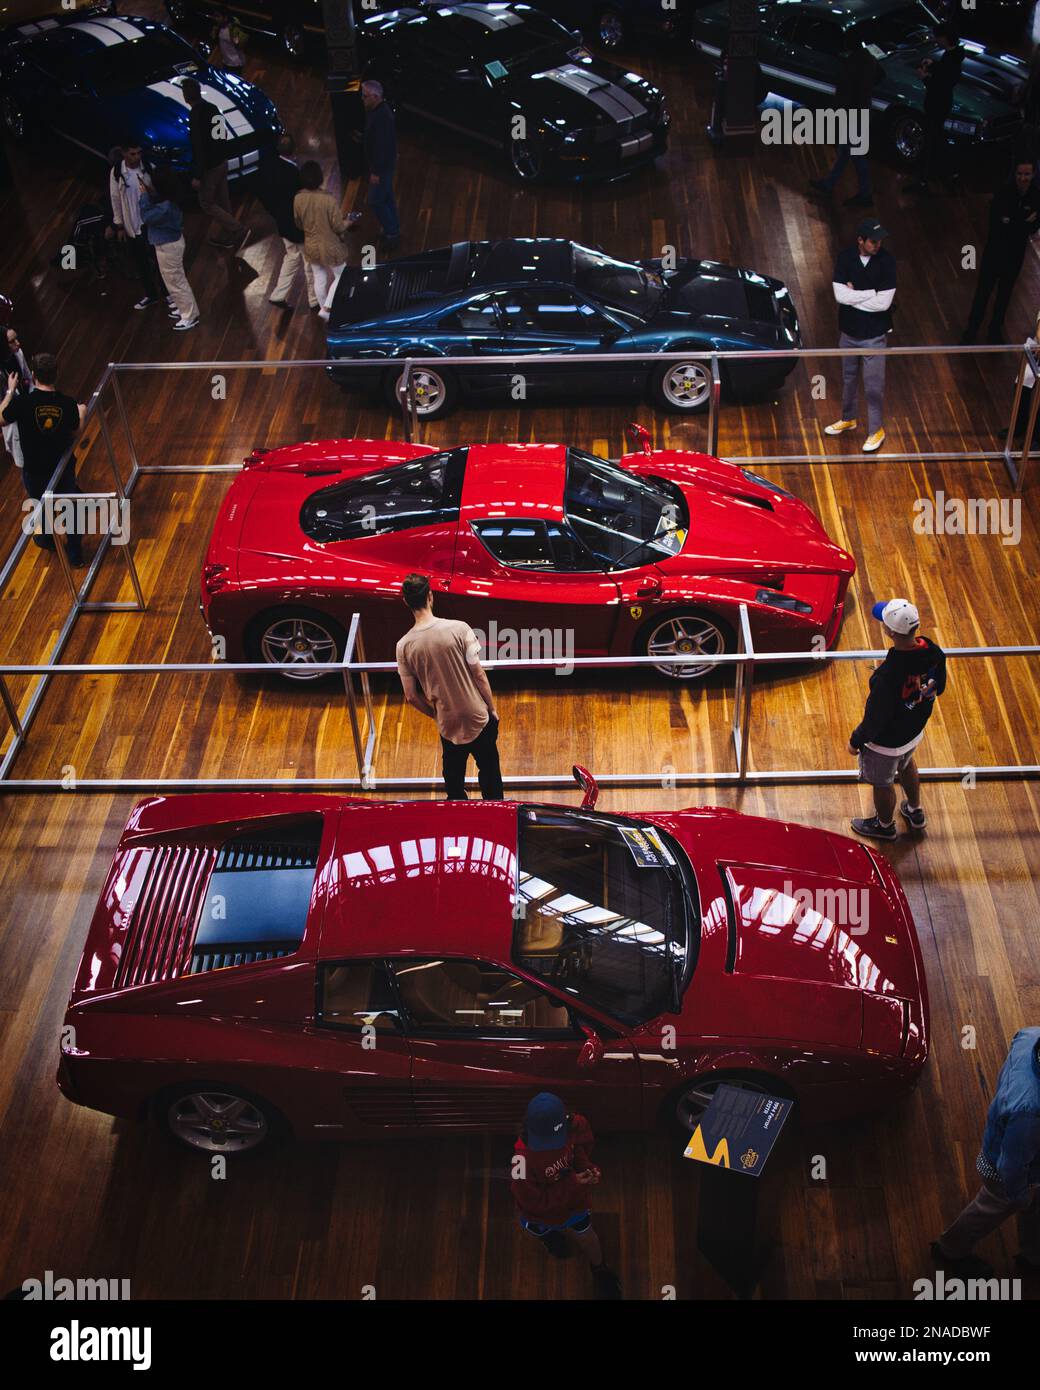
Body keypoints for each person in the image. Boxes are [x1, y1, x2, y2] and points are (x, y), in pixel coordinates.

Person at [932, 1028, 1040, 1279]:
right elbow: (1010, 1168)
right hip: (1009, 1175)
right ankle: (949, 1250)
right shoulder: (1031, 1111)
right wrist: (1022, 1198)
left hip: (1009, 1146)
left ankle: (1033, 1256)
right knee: (986, 1211)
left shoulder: (1031, 1037)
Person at [395, 573, 504, 801]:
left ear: (405, 602)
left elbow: (411, 696)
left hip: (448, 722)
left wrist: (436, 713)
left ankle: (458, 822)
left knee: (453, 781)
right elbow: (479, 675)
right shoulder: (459, 629)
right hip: (477, 715)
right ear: (430, 596)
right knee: (490, 774)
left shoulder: (403, 646)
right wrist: (491, 708)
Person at [847, 598, 946, 842]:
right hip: (914, 731)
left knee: (882, 783)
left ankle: (884, 826)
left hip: (886, 742)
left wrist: (855, 741)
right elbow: (939, 687)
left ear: (889, 631)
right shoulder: (935, 654)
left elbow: (874, 719)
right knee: (907, 765)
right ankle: (914, 810)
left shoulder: (887, 676)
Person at [511, 1093, 622, 1299]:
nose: (552, 1145)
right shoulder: (521, 1161)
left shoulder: (576, 1125)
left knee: (588, 1237)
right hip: (540, 1216)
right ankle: (551, 1238)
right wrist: (573, 1183)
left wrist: (586, 1168)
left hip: (573, 1205)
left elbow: (580, 1148)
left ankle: (599, 1270)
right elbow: (531, 1202)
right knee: (544, 1232)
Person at [0, 352, 85, 566]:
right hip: (61, 468)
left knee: (41, 503)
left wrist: (10, 391)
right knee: (71, 507)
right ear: (57, 373)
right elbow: (76, 430)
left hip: (34, 470)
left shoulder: (22, 403)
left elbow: (1, 417)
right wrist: (82, 411)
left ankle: (47, 538)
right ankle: (75, 555)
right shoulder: (67, 404)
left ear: (34, 375)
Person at [824, 220, 897, 453]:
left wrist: (855, 294)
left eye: (879, 242)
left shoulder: (887, 262)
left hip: (874, 335)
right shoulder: (845, 258)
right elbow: (840, 296)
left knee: (874, 386)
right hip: (848, 332)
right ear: (860, 240)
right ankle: (848, 418)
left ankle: (876, 430)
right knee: (848, 380)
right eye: (873, 241)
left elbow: (884, 303)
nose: (877, 245)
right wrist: (869, 294)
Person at [961, 161, 1040, 344]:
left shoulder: (1036, 196)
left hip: (1015, 255)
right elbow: (999, 225)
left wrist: (1013, 221)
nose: (1023, 177)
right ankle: (971, 330)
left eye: (1027, 174)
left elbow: (1033, 226)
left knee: (1005, 295)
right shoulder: (1003, 193)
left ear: (1033, 174)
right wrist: (1024, 222)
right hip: (995, 252)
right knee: (983, 293)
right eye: (1020, 173)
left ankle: (995, 331)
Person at [180, 77, 250, 252]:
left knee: (206, 202)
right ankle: (230, 232)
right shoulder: (213, 108)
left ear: (186, 96)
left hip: (210, 166)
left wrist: (197, 175)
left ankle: (237, 229)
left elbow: (199, 148)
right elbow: (221, 136)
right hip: (222, 161)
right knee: (223, 198)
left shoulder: (195, 115)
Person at [808, 42, 879, 209]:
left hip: (852, 113)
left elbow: (845, 92)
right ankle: (830, 184)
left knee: (854, 154)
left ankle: (865, 194)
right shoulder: (869, 59)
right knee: (846, 152)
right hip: (861, 111)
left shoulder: (853, 64)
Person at [254, 135, 317, 310]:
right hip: (298, 227)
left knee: (292, 256)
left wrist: (275, 213)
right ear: (294, 151)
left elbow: (261, 193)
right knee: (310, 263)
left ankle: (279, 294)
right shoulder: (293, 174)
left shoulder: (267, 166)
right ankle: (314, 300)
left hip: (282, 224)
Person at [293, 161, 359, 320]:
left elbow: (298, 223)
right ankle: (328, 309)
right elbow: (338, 227)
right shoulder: (328, 199)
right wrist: (349, 222)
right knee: (342, 275)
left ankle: (325, 310)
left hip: (310, 245)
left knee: (319, 277)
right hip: (329, 246)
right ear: (319, 177)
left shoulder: (298, 198)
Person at [904, 24, 964, 194]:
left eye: (937, 36)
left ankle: (927, 181)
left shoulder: (950, 58)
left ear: (944, 38)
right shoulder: (954, 55)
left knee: (932, 142)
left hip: (937, 103)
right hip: (943, 103)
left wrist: (924, 78)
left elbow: (941, 85)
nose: (936, 40)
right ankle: (949, 176)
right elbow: (946, 73)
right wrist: (934, 65)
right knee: (936, 140)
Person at [141, 166, 200, 331]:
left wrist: (144, 195)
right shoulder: (167, 200)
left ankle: (190, 315)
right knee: (173, 279)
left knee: (176, 281)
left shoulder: (165, 207)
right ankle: (184, 308)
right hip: (167, 244)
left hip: (168, 246)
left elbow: (146, 216)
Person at [107, 142, 162, 310]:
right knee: (141, 263)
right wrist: (119, 226)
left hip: (149, 223)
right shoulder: (117, 173)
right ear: (124, 154)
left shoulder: (148, 168)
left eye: (139, 153)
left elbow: (159, 194)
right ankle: (151, 295)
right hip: (132, 226)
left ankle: (168, 294)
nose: (137, 157)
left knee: (160, 261)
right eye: (132, 154)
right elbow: (115, 199)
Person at [361, 80, 400, 250]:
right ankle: (393, 227)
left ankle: (391, 232)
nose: (362, 99)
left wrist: (375, 171)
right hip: (385, 165)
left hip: (382, 167)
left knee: (376, 201)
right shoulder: (377, 111)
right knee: (387, 197)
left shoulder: (383, 117)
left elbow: (382, 147)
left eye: (365, 96)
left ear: (376, 97)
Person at [1, 325, 31, 469]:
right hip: (14, 423)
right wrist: (11, 390)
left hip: (29, 410)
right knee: (27, 463)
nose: (18, 343)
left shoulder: (18, 354)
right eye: (12, 341)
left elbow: (28, 378)